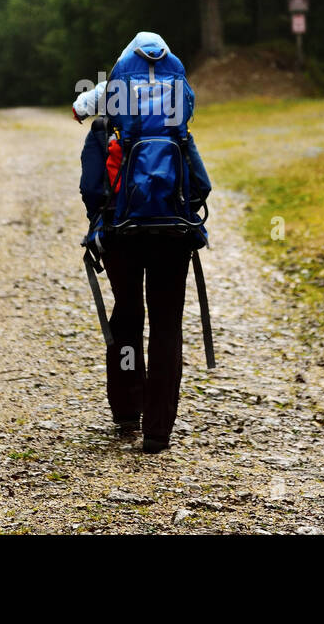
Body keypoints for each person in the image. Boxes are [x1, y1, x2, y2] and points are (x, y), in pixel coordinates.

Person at [73, 32, 210, 454]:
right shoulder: (177, 129)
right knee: (167, 323)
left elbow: (91, 190)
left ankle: (126, 410)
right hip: (173, 231)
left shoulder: (105, 130)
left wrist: (101, 222)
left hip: (123, 233)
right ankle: (158, 431)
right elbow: (201, 187)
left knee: (129, 313)